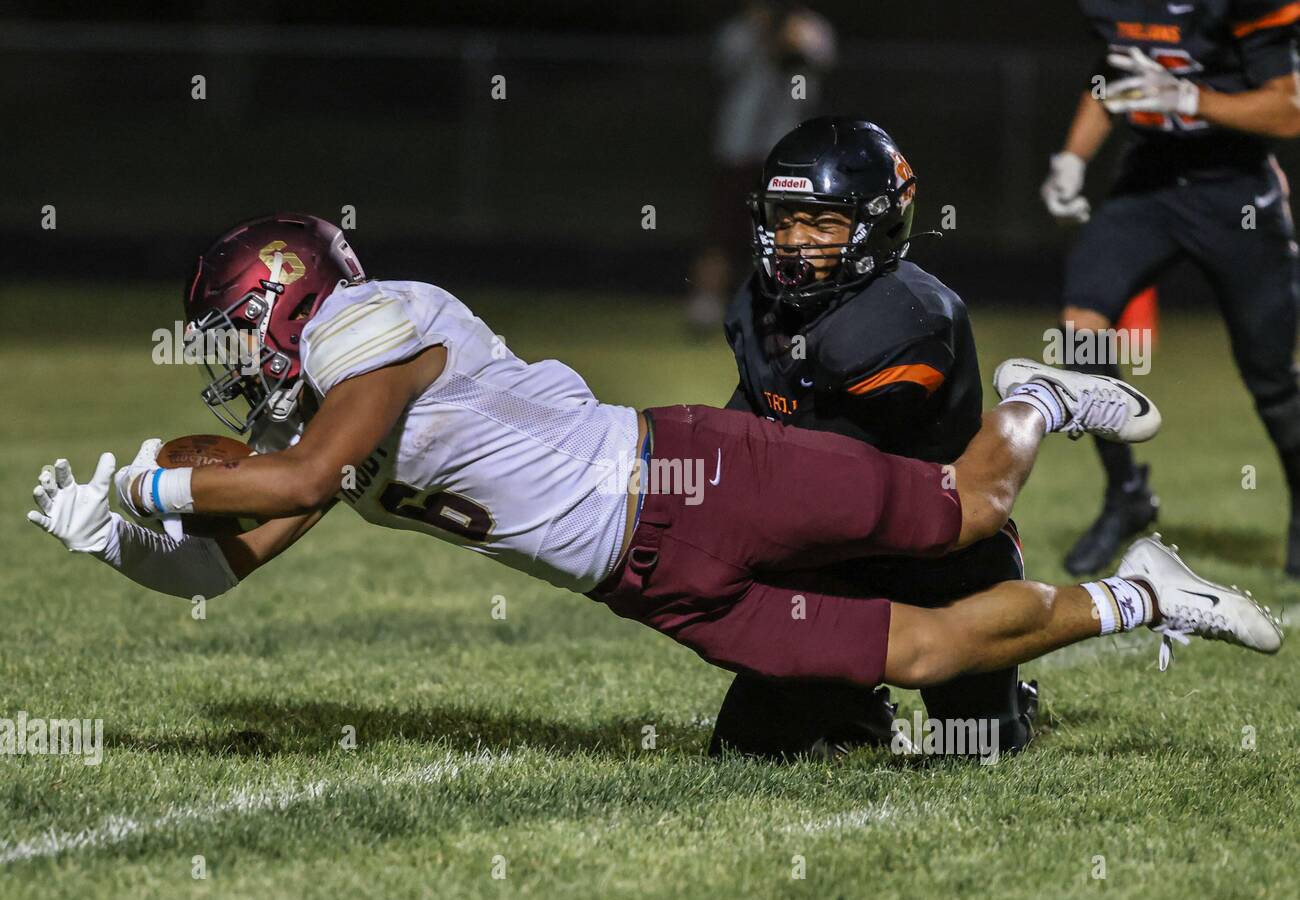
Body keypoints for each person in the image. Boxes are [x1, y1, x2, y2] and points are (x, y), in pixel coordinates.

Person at [27, 215, 1281, 715]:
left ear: (287, 295)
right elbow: (229, 564)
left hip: (691, 474)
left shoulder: (377, 324)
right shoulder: (320, 406)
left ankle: (1030, 397)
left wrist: (151, 483)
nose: (234, 354)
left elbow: (295, 487)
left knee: (967, 509)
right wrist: (124, 544)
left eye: (238, 322)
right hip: (651, 586)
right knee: (920, 654)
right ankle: (1145, 593)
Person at [711, 116, 1040, 760]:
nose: (795, 242)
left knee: (971, 749)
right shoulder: (762, 304)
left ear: (878, 224)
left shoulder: (907, 318)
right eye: (784, 220)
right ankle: (854, 704)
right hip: (835, 554)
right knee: (745, 757)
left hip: (940, 558)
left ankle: (1005, 702)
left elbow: (824, 472)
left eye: (822, 224)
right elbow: (742, 425)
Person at [1041, 0, 1300, 576]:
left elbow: (1289, 110)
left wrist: (1191, 99)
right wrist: (1073, 159)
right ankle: (1126, 491)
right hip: (1150, 181)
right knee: (1082, 330)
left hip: (1235, 191)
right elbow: (1109, 77)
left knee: (1272, 379)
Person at [687, 1, 837, 333]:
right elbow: (726, 65)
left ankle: (790, 308)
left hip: (786, 149)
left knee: (789, 232)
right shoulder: (738, 31)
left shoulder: (811, 28)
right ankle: (705, 307)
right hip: (738, 146)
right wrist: (761, 33)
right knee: (723, 229)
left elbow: (808, 65)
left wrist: (785, 39)